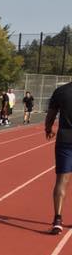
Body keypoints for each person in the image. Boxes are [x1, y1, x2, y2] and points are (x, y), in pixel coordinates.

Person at [45, 81, 72, 235]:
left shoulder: (61, 91)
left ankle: (57, 220)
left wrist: (47, 129)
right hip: (65, 140)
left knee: (62, 181)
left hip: (65, 140)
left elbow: (51, 115)